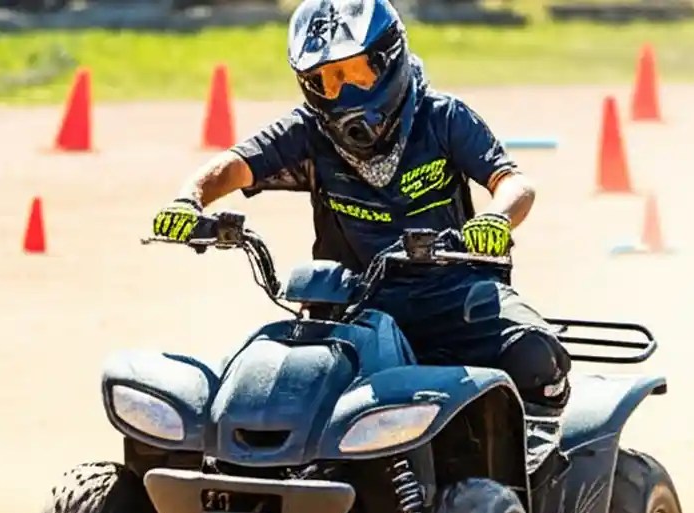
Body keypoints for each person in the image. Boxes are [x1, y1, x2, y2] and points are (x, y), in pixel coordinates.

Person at [151, 0, 571, 420]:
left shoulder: (442, 117)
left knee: (538, 360)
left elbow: (513, 183)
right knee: (278, 393)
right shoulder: (308, 131)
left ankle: (531, 471)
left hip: (455, 295)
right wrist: (189, 198)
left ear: (390, 60)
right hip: (354, 308)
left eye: (355, 72)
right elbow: (235, 165)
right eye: (325, 81)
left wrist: (496, 218)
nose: (343, 92)